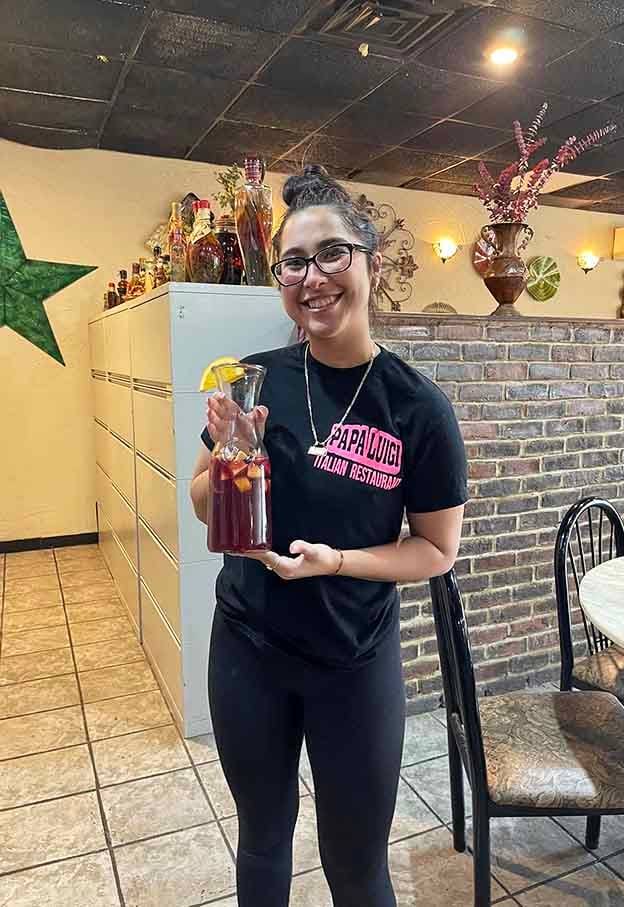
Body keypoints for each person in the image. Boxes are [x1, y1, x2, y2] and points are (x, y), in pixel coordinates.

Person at [190, 164, 468, 907]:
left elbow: (437, 549)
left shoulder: (418, 408)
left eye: (331, 254)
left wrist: (338, 561)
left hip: (355, 659)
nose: (312, 277)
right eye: (294, 261)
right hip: (249, 647)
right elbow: (197, 500)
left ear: (371, 263)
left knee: (355, 864)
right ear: (280, 276)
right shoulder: (254, 378)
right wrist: (230, 456)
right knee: (261, 841)